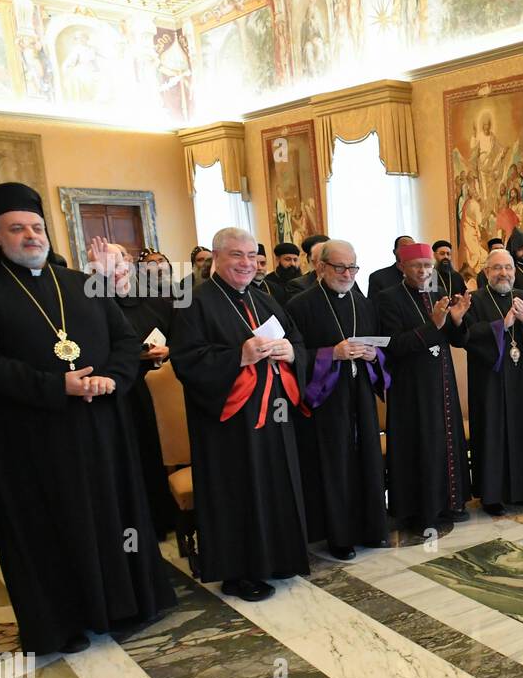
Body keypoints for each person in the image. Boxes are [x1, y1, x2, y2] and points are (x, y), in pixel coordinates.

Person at [0, 182, 175, 653]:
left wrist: (112, 379)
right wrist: (58, 386)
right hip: (31, 436)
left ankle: (126, 603)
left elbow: (125, 341)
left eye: (36, 227)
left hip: (101, 427)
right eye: (18, 229)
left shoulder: (79, 282)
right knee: (53, 526)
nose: (31, 236)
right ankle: (65, 621)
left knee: (113, 518)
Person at [170, 227, 309, 602]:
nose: (246, 263)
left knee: (275, 483)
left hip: (275, 416)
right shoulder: (193, 302)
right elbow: (186, 361)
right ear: (216, 257)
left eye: (252, 256)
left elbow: (296, 339)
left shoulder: (264, 299)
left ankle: (279, 558)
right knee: (239, 492)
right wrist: (239, 357)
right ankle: (238, 571)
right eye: (237, 255)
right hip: (230, 423)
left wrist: (290, 352)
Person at [286, 239, 389, 556]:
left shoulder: (365, 304)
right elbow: (294, 355)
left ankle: (372, 528)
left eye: (353, 267)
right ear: (321, 267)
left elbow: (382, 349)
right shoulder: (300, 305)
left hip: (360, 394)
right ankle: (340, 537)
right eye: (340, 267)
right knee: (336, 465)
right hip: (326, 398)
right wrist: (333, 353)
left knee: (367, 459)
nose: (347, 274)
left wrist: (373, 355)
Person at [375, 242, 471, 532]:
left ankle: (449, 503)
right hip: (411, 387)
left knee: (446, 441)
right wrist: (434, 324)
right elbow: (394, 345)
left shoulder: (439, 294)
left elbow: (456, 340)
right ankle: (419, 510)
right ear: (402, 267)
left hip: (442, 381)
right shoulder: (388, 299)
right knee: (420, 444)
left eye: (427, 266)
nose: (423, 271)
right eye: (417, 265)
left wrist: (456, 320)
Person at [92, 239, 176, 540]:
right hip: (127, 395)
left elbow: (184, 339)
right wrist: (134, 354)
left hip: (165, 391)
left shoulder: (158, 300)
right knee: (137, 457)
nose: (117, 271)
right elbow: (91, 350)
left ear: (129, 264)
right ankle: (147, 522)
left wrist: (169, 349)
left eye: (120, 263)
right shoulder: (95, 306)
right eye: (107, 266)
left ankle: (174, 514)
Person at [461, 248, 523, 514]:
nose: (504, 273)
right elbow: (467, 335)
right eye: (497, 268)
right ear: (486, 272)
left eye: (508, 268)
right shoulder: (475, 300)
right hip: (491, 381)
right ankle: (492, 496)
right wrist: (502, 324)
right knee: (493, 433)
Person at [366, 235, 413, 299]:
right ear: (394, 252)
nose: (409, 251)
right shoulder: (378, 277)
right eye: (404, 247)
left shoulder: (422, 276)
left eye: (412, 248)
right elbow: (373, 306)